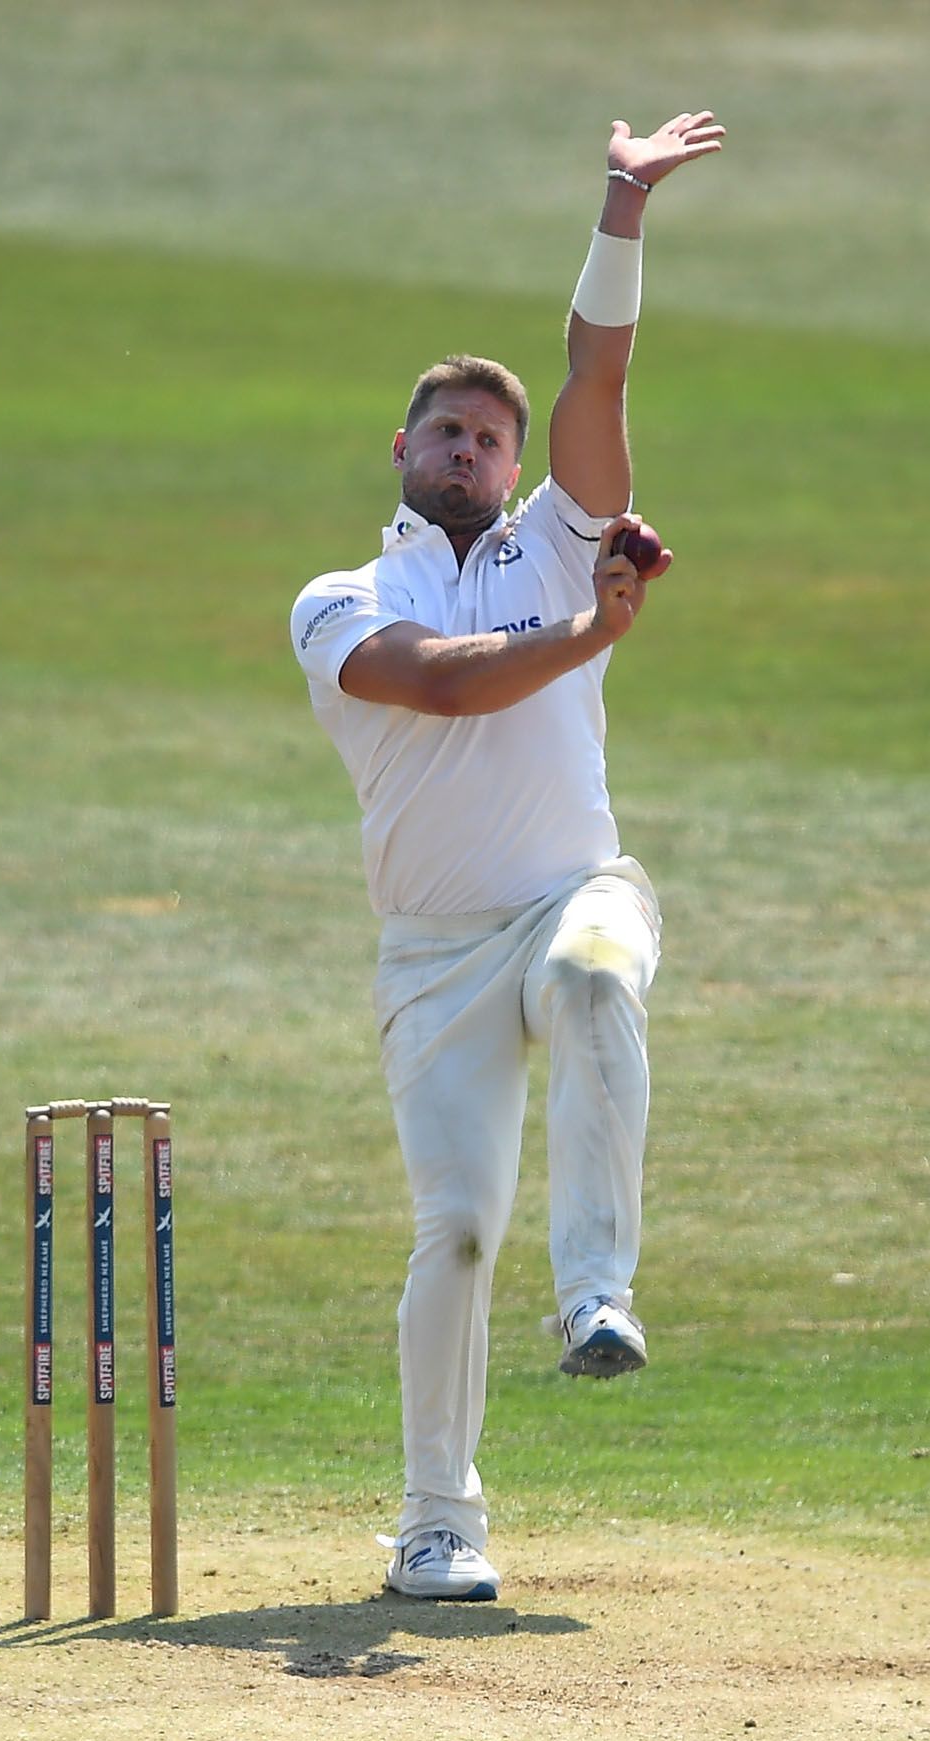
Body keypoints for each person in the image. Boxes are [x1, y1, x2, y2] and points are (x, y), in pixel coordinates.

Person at [290, 111, 724, 1602]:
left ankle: (600, 1295)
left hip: (567, 894)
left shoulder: (560, 534)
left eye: (493, 437)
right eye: (447, 433)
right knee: (457, 1230)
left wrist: (622, 205)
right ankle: (436, 1525)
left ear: (520, 466)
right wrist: (591, 634)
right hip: (431, 953)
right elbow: (444, 681)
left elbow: (599, 368)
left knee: (602, 975)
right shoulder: (339, 599)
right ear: (400, 451)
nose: (469, 450)